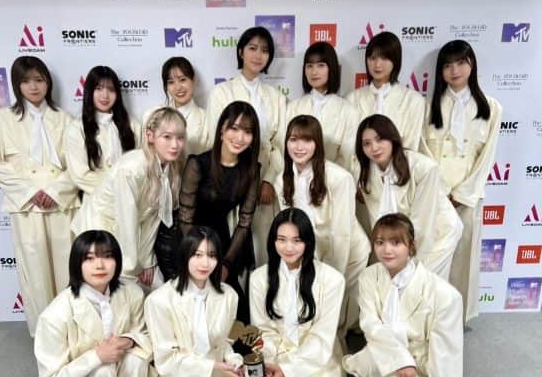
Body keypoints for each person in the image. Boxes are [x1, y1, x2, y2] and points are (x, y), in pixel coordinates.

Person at [343, 213, 463, 377]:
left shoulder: (445, 296)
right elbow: (370, 324)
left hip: (421, 376)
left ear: (411, 246)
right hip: (385, 362)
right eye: (380, 242)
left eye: (396, 242)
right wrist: (401, 360)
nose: (386, 250)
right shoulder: (369, 276)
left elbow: (446, 362)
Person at [249, 208, 361, 377]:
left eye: (296, 240)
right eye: (281, 239)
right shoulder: (259, 278)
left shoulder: (332, 279)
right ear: (272, 241)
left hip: (320, 364)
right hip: (276, 361)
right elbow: (263, 330)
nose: (288, 247)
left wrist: (290, 369)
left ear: (308, 242)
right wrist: (273, 364)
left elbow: (322, 338)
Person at [0, 56, 78, 337]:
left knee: (67, 268)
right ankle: (44, 335)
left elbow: (78, 164)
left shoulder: (65, 119)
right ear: (16, 85)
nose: (33, 87)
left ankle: (73, 329)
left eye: (39, 80)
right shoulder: (2, 120)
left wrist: (54, 191)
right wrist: (30, 193)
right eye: (26, 81)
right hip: (26, 208)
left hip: (61, 205)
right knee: (35, 274)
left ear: (48, 82)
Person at [34, 230, 154, 377]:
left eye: (107, 256)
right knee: (102, 371)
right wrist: (96, 357)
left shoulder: (132, 293)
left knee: (136, 362)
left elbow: (146, 334)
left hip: (116, 370)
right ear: (76, 264)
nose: (99, 265)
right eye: (89, 258)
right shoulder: (55, 315)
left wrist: (128, 340)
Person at [421, 40, 502, 323]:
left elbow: (487, 157)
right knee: (433, 253)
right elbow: (423, 150)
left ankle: (456, 318)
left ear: (472, 65)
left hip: (468, 197)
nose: (454, 70)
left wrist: (463, 193)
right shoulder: (428, 107)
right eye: (447, 65)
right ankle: (427, 314)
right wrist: (440, 191)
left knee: (463, 258)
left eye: (460, 63)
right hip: (435, 195)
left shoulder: (491, 107)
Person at [145, 226, 246, 377]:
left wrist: (235, 362)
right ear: (185, 256)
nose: (205, 263)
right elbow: (165, 359)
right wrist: (212, 366)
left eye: (211, 255)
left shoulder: (229, 296)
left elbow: (223, 343)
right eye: (197, 255)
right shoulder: (159, 300)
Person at [273, 114, 370, 333]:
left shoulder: (339, 178)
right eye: (293, 139)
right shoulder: (281, 180)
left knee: (336, 311)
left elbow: (341, 234)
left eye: (307, 140)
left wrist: (332, 275)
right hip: (312, 250)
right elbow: (289, 228)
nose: (299, 147)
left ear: (317, 144)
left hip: (347, 252)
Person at [72, 107, 186, 287]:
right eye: (167, 137)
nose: (175, 145)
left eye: (180, 138)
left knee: (156, 287)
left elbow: (153, 220)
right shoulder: (132, 168)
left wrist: (147, 261)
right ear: (149, 136)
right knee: (118, 291)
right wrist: (133, 267)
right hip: (101, 230)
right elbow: (127, 219)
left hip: (132, 237)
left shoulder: (171, 169)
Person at [205, 26, 286, 266]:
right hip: (229, 180)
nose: (258, 55)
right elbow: (215, 138)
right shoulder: (221, 92)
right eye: (252, 48)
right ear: (241, 52)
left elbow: (280, 143)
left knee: (262, 248)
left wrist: (268, 180)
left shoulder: (276, 97)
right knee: (229, 246)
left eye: (264, 50)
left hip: (263, 180)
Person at [354, 114, 463, 280]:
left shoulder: (424, 168)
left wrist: (408, 262)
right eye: (366, 144)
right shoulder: (366, 173)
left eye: (379, 139)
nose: (374, 148)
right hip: (401, 241)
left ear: (392, 138)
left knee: (421, 284)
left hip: (437, 236)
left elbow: (423, 223)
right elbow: (377, 220)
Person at [179, 101, 261, 322]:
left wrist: (225, 264)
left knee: (236, 311)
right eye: (234, 128)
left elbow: (244, 222)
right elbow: (185, 218)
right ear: (222, 130)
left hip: (222, 242)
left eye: (247, 132)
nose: (240, 137)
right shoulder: (198, 164)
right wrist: (199, 256)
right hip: (190, 240)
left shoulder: (252, 169)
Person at [65, 65, 141, 206]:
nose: (105, 95)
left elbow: (141, 163)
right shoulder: (77, 128)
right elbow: (80, 174)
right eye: (99, 88)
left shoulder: (131, 124)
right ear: (89, 91)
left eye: (111, 90)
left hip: (129, 200)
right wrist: (117, 186)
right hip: (96, 202)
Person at [346, 31, 425, 152]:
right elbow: (350, 145)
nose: (377, 64)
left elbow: (411, 147)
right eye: (372, 58)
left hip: (399, 163)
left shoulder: (413, 100)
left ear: (395, 61)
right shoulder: (352, 99)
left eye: (384, 58)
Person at [286, 41, 360, 170]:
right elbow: (285, 149)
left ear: (331, 68)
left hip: (335, 179)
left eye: (321, 65)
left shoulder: (348, 110)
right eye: (309, 66)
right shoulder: (293, 107)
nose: (314, 72)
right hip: (296, 178)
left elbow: (348, 157)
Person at [141, 56, 208, 156]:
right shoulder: (151, 115)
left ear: (193, 81)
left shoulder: (206, 119)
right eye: (171, 82)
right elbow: (146, 154)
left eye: (182, 80)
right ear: (166, 86)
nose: (178, 87)